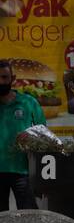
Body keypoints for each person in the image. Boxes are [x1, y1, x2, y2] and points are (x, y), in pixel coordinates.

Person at [0, 59, 46, 209]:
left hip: (23, 171)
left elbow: (44, 133)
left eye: (4, 77)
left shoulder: (29, 102)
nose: (1, 81)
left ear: (12, 79)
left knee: (29, 219)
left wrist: (31, 136)